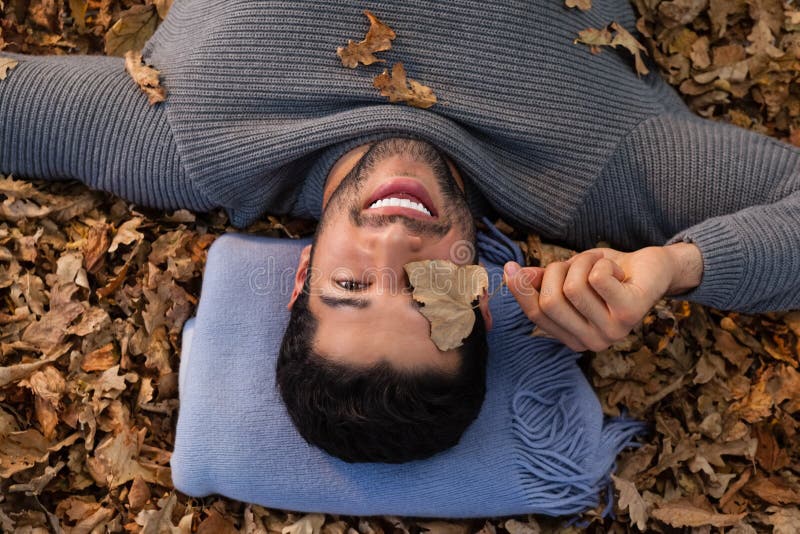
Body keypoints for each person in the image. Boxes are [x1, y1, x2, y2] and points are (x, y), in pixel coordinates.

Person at [2, 0, 798, 463]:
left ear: (300, 272)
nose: (391, 245)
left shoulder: (191, 142)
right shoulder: (601, 167)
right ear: (479, 299)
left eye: (349, 288)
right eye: (424, 295)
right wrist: (676, 266)